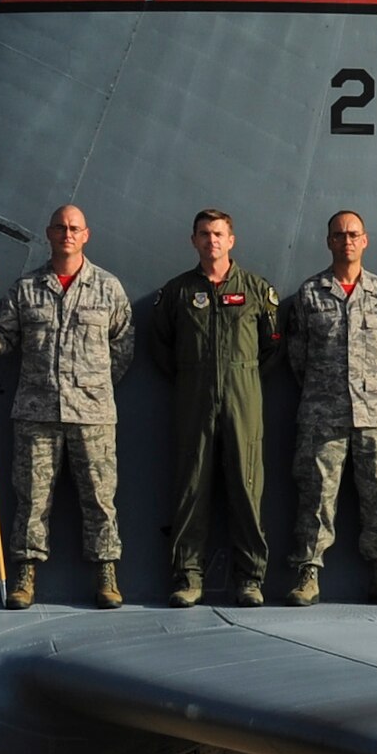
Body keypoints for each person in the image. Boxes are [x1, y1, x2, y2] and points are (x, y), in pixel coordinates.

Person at [0, 203, 132, 610]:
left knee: (100, 498)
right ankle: (25, 575)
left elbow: (123, 344)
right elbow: (3, 338)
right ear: (49, 234)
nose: (67, 233)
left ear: (85, 235)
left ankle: (106, 574)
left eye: (74, 228)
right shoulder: (28, 289)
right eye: (60, 227)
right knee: (33, 499)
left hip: (93, 414)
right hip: (37, 413)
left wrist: (96, 386)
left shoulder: (108, 289)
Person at [149, 209, 282, 607]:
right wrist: (194, 376)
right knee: (193, 484)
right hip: (194, 395)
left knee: (246, 484)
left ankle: (250, 578)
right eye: (204, 234)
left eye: (219, 234)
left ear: (232, 240)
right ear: (194, 241)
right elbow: (160, 344)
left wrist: (242, 378)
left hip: (244, 394)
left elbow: (272, 346)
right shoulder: (178, 292)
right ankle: (188, 576)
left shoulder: (256, 290)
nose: (212, 241)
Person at [284, 211, 377, 607]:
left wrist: (369, 388)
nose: (346, 241)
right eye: (338, 235)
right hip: (323, 414)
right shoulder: (311, 293)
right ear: (328, 242)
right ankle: (308, 574)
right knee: (316, 496)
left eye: (353, 234)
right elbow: (297, 355)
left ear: (365, 240)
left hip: (375, 414)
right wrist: (327, 390)